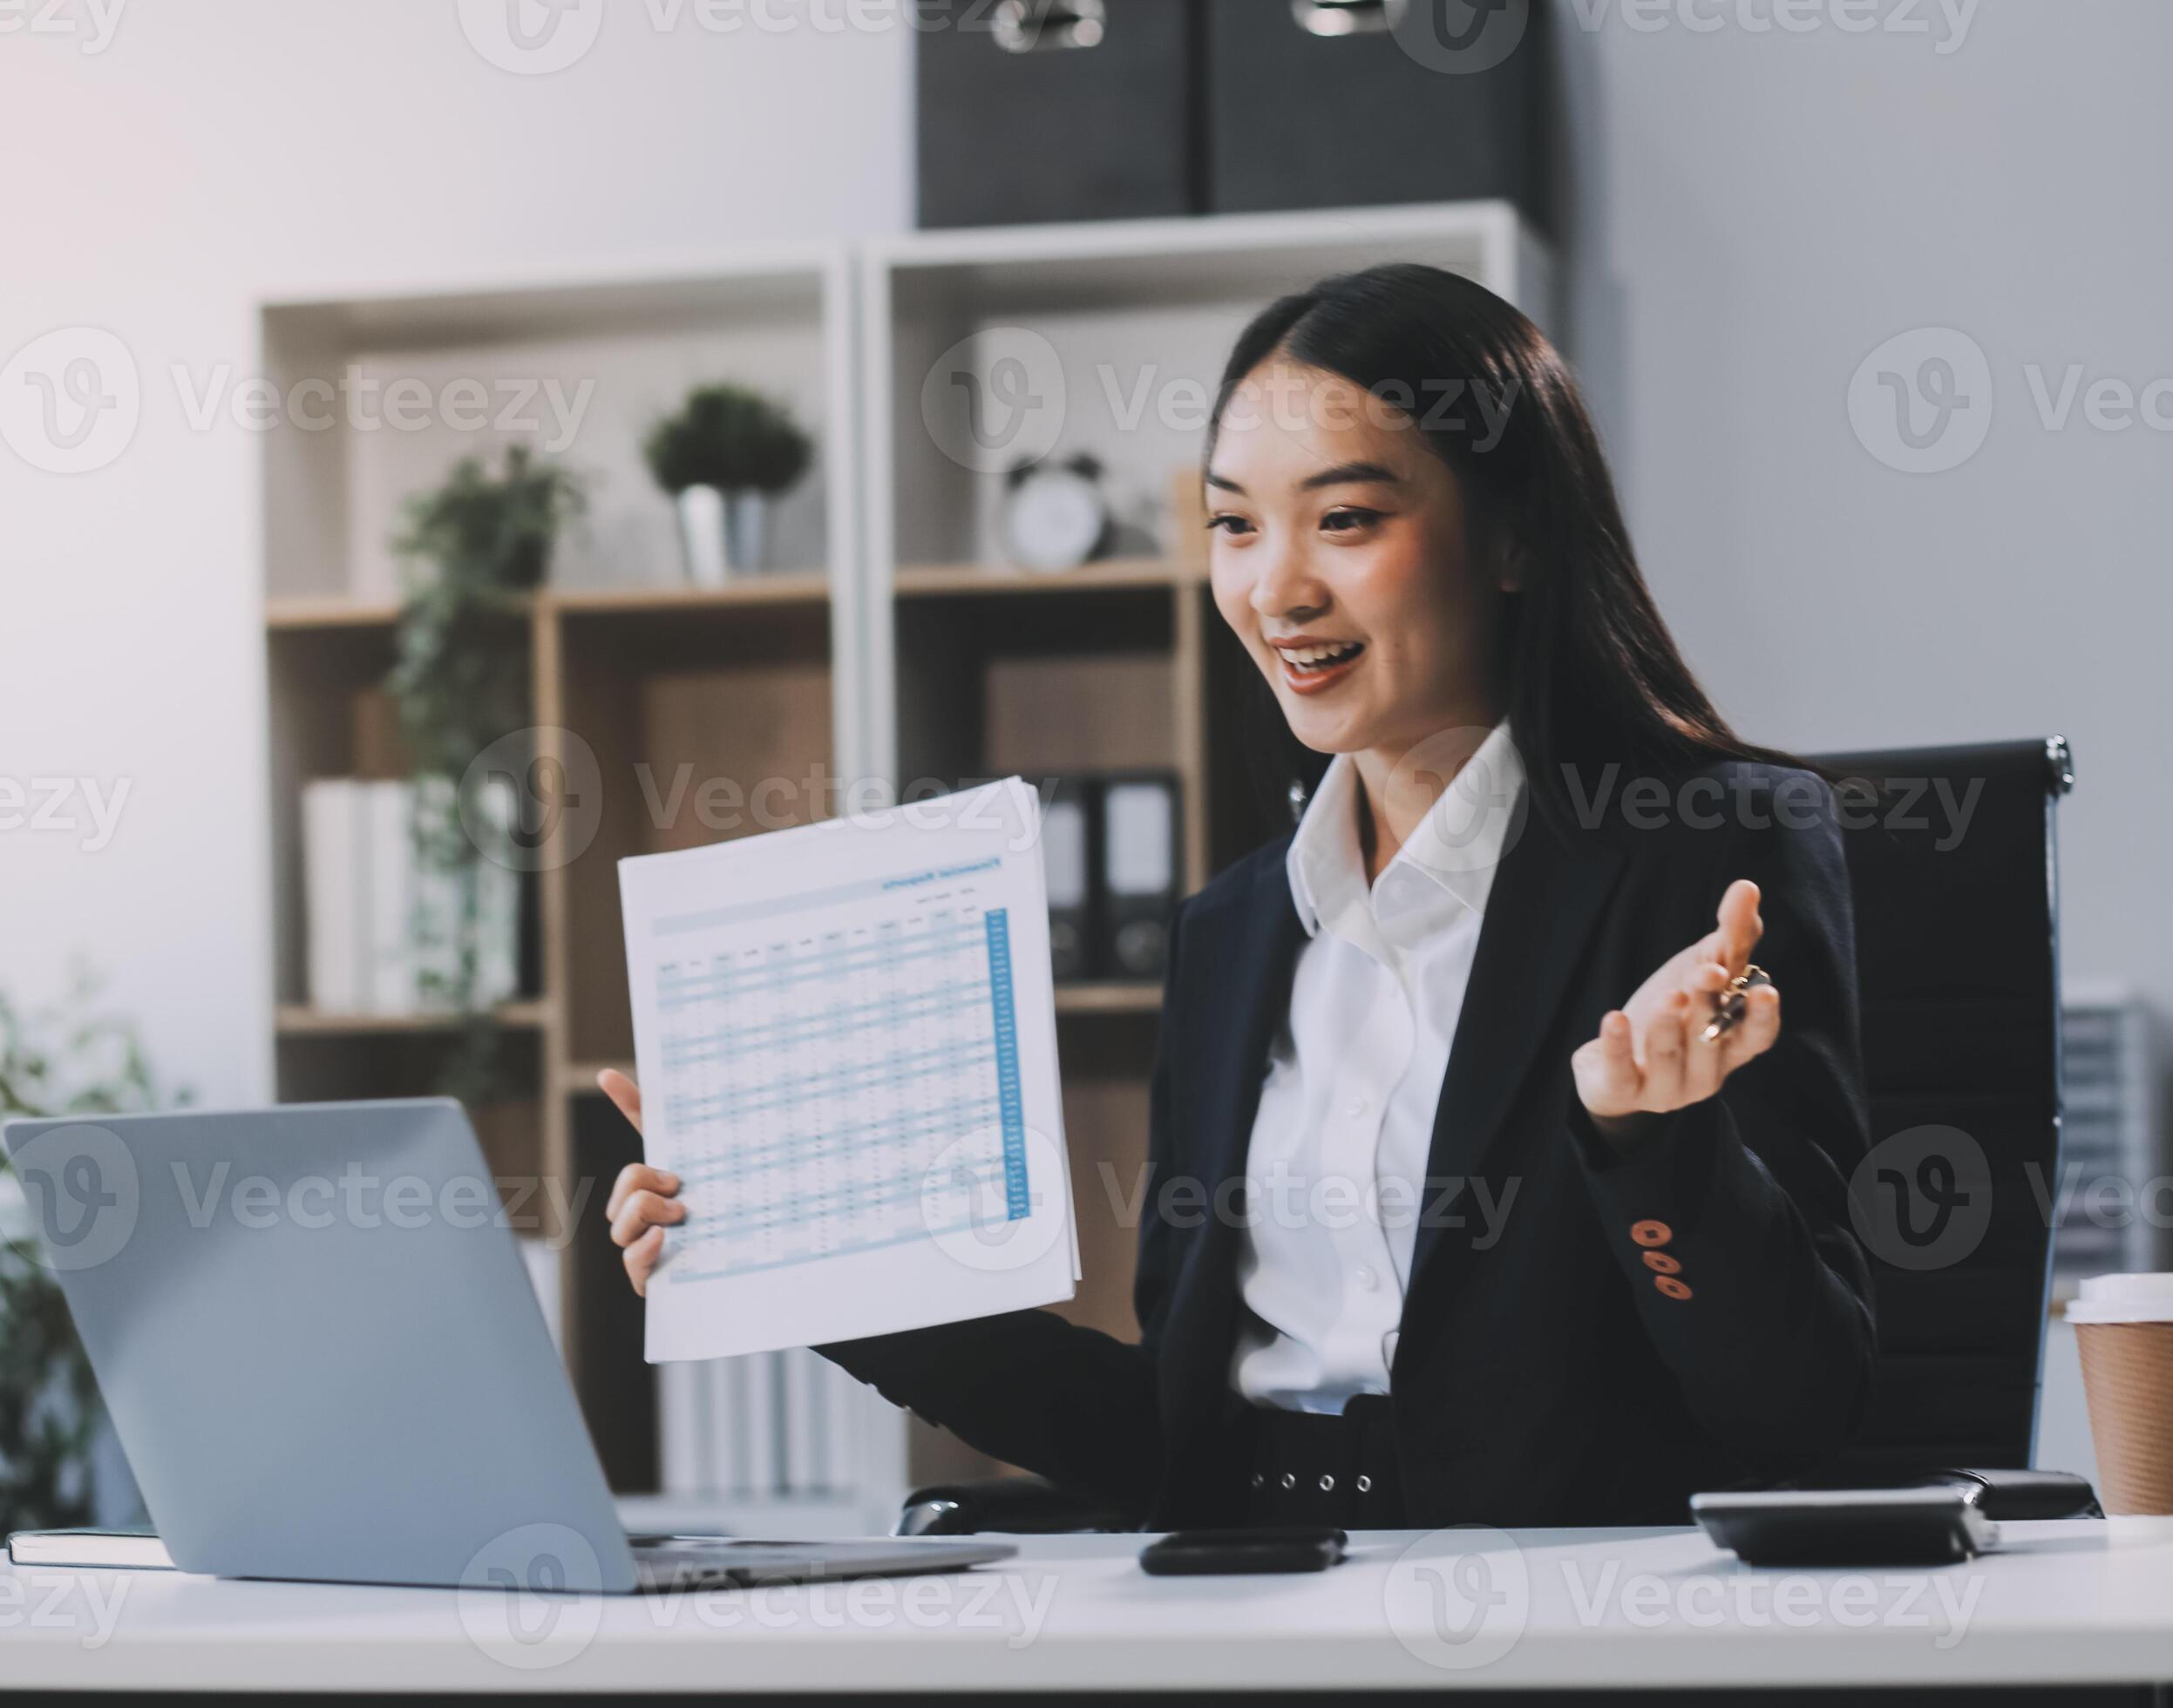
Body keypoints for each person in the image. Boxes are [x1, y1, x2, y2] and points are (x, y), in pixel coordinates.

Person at [599, 263, 1874, 1530]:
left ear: (1514, 537)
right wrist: (812, 1266)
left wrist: (1654, 1145)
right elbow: (1169, 1441)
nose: (1277, 589)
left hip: (1567, 1624)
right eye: (1234, 524)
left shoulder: (1707, 852)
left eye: (1348, 519)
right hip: (1251, 1607)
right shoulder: (1235, 931)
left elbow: (1805, 1412)